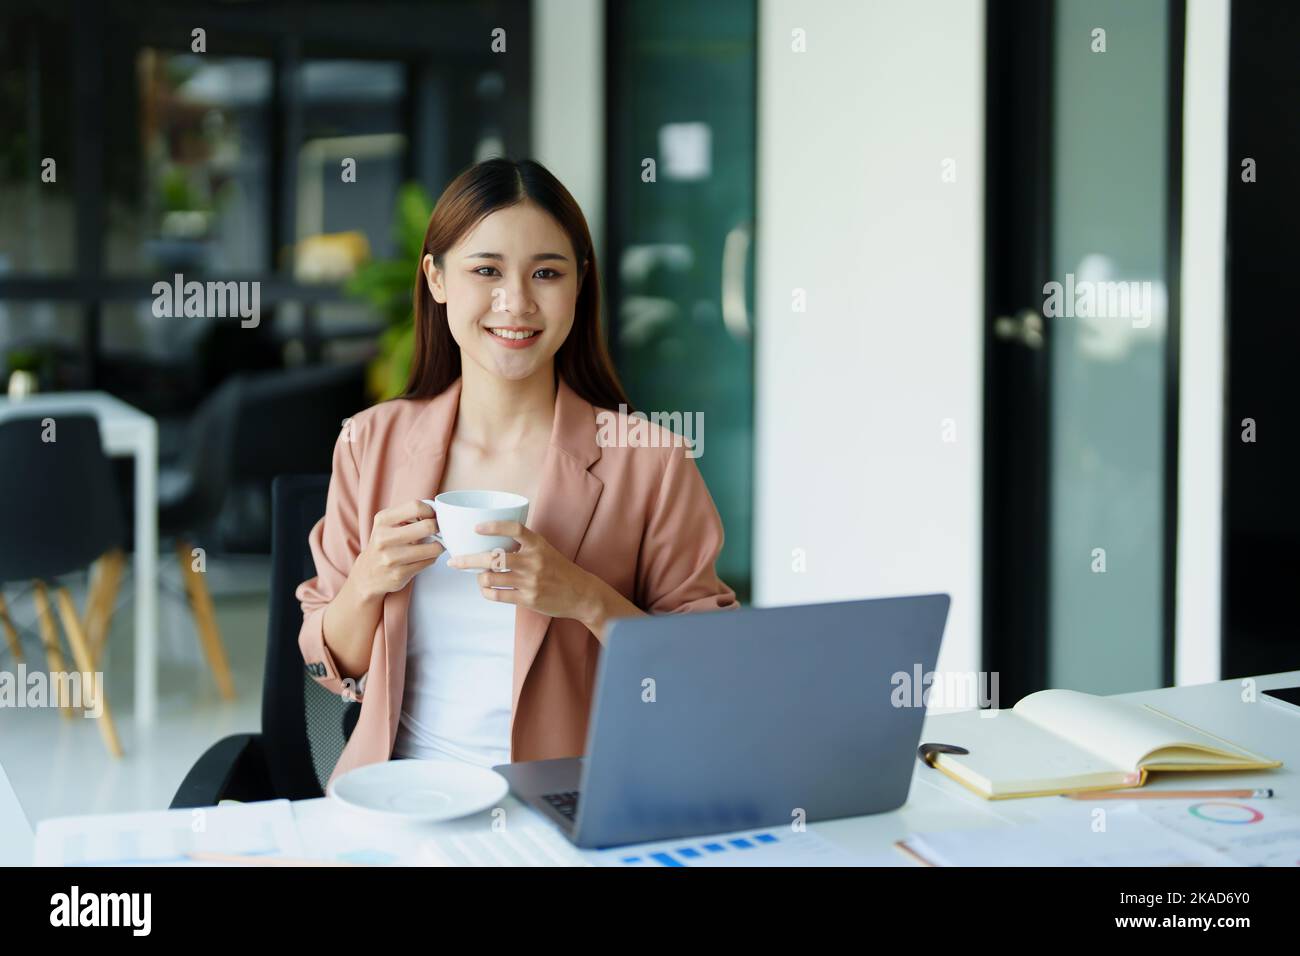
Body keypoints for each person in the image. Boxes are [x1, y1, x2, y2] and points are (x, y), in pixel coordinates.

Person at [296, 157, 738, 787]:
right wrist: (367, 580)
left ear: (579, 285)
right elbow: (327, 664)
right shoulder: (370, 442)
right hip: (401, 801)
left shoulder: (651, 460)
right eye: (486, 270)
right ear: (437, 278)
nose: (517, 302)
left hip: (575, 805)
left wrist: (583, 597)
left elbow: (709, 676)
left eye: (547, 273)